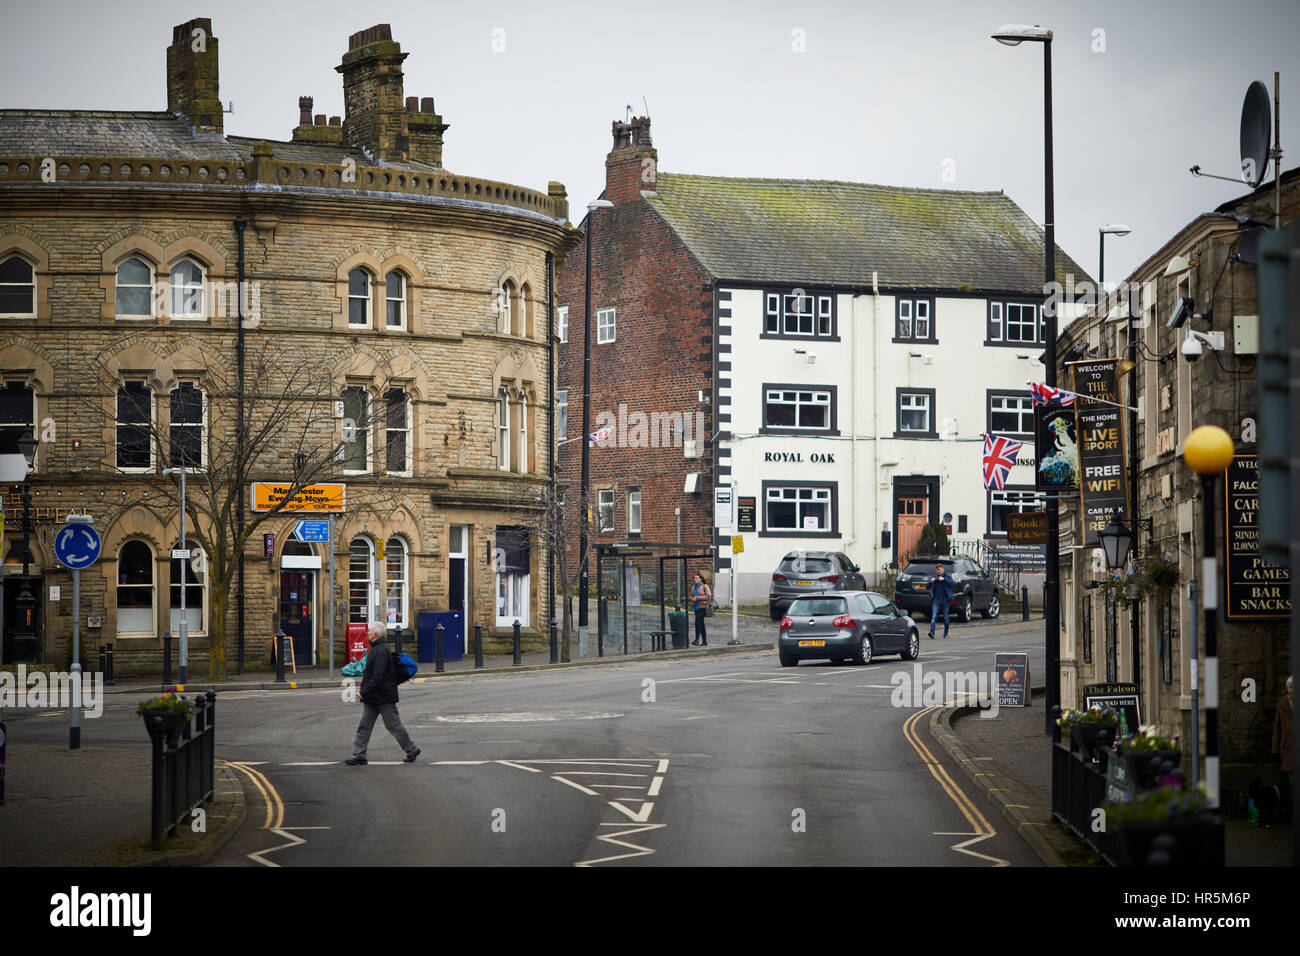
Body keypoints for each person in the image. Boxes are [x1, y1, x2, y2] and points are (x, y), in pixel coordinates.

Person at [345, 620, 421, 765]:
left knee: (393, 726)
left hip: (384, 697)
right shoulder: (376, 648)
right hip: (374, 696)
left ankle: (412, 749)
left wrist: (364, 692)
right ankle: (359, 755)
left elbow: (378, 676)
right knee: (364, 726)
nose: (367, 633)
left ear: (374, 634)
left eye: (369, 631)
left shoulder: (381, 650)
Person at [1273, 674, 1293, 785]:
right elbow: (1277, 727)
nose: (1292, 690)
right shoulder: (1282, 702)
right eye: (1290, 687)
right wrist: (1275, 749)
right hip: (1287, 748)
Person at [927, 563, 956, 639]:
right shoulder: (934, 577)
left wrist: (944, 580)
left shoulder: (947, 576)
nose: (938, 571)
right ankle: (931, 632)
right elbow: (927, 586)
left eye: (939, 569)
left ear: (942, 569)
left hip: (945, 600)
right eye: (937, 570)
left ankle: (945, 633)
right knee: (934, 616)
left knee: (946, 617)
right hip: (936, 600)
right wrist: (931, 581)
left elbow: (953, 584)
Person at [690, 572, 711, 646]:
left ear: (700, 579)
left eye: (696, 578)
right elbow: (692, 596)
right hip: (696, 607)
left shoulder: (704, 586)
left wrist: (697, 598)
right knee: (701, 624)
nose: (695, 579)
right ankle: (704, 642)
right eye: (694, 578)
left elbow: (708, 596)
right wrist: (692, 599)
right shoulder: (693, 587)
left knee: (697, 623)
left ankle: (696, 640)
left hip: (702, 607)